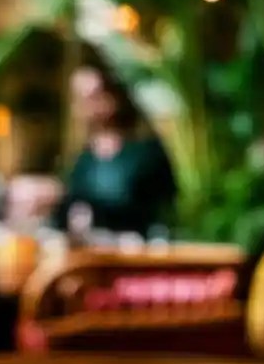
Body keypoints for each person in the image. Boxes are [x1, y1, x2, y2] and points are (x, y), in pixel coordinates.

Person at [55, 62, 176, 236]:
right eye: (80, 99)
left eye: (95, 96)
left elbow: (160, 208)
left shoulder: (146, 153)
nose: (89, 107)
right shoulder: (81, 160)